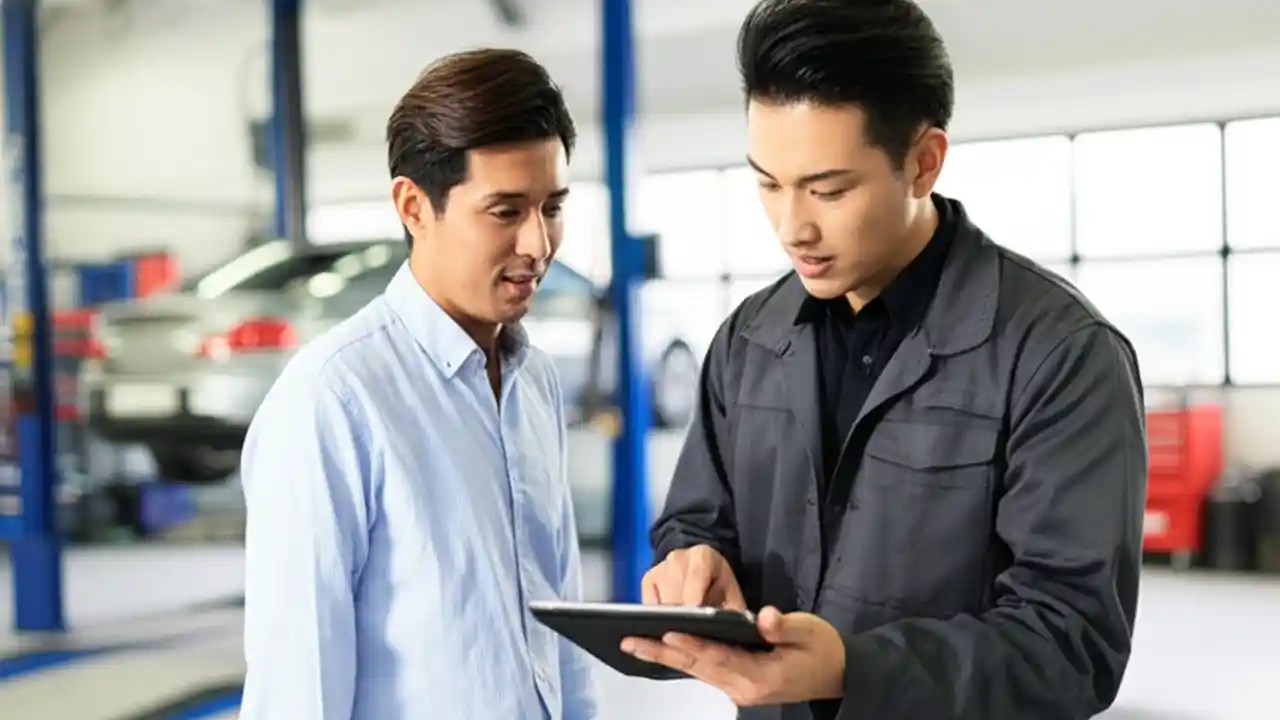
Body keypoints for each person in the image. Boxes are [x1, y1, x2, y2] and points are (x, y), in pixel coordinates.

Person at [623, 1, 1147, 718]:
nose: (791, 227)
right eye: (768, 184)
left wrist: (853, 667)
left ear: (923, 162)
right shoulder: (749, 339)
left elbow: (1072, 644)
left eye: (829, 190)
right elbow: (694, 523)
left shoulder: (1058, 355)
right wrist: (691, 565)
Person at [239, 48, 598, 720]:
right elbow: (299, 683)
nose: (538, 245)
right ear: (413, 206)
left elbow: (560, 625)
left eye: (552, 207)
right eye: (504, 211)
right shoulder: (334, 398)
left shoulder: (534, 382)